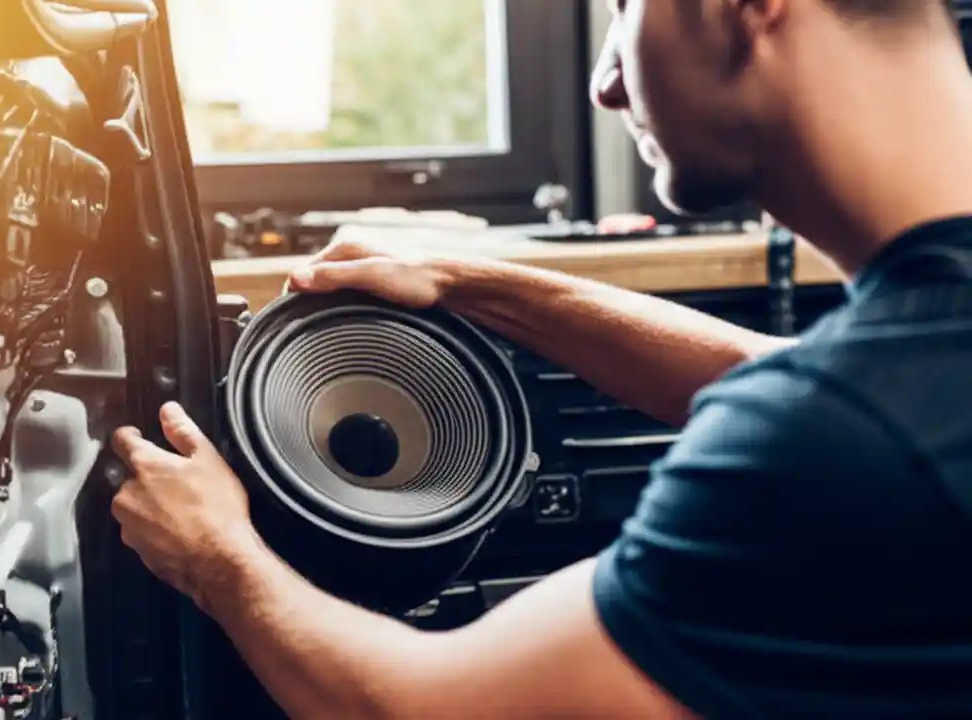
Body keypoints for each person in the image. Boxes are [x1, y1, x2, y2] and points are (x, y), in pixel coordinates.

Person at [110, 0, 972, 716]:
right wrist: (474, 283)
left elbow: (419, 710)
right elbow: (814, 390)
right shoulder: (913, 385)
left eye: (626, 7)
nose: (605, 83)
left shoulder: (856, 433)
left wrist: (215, 556)